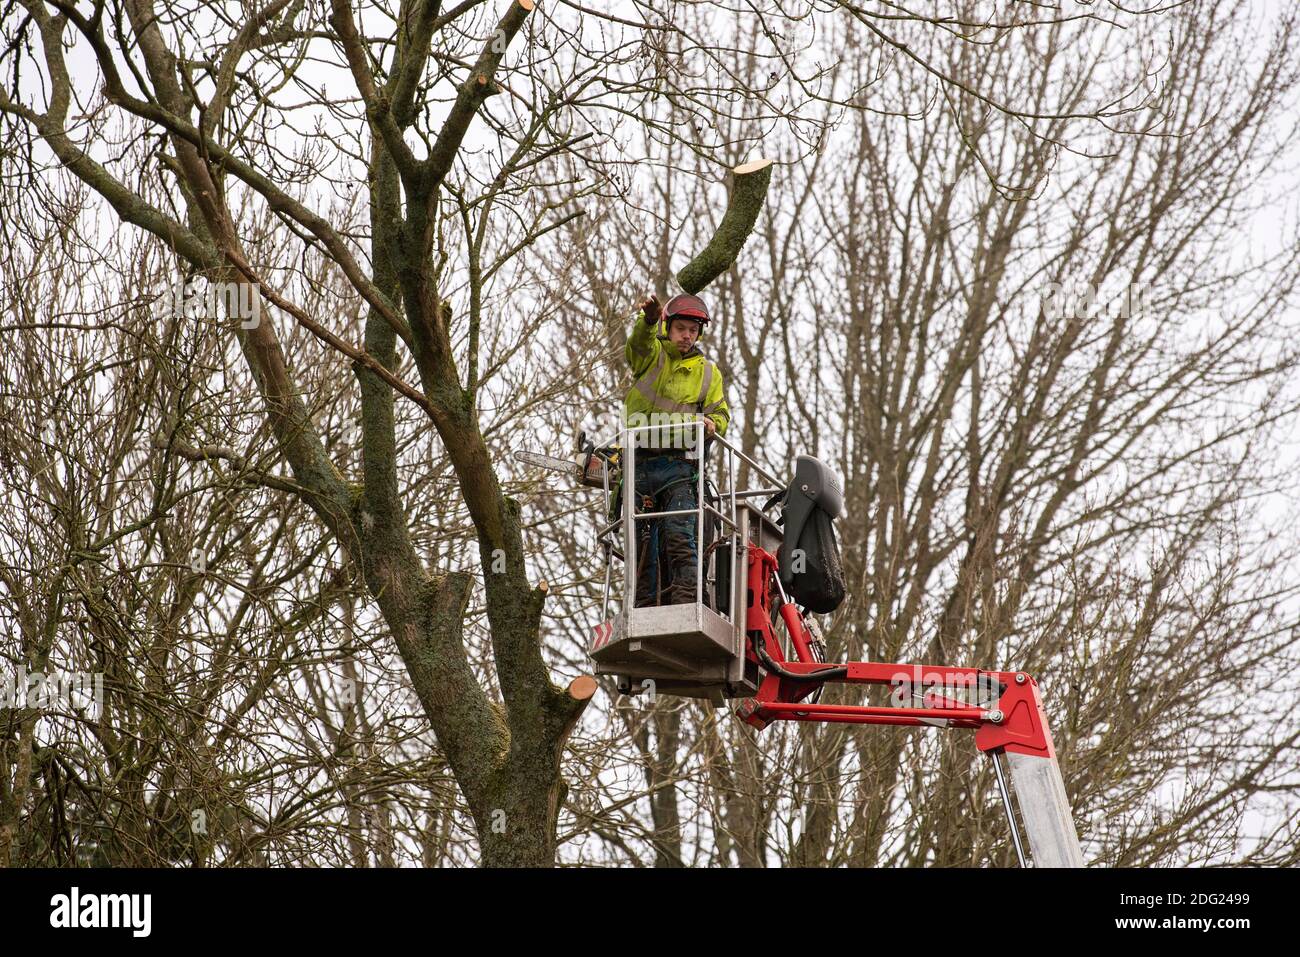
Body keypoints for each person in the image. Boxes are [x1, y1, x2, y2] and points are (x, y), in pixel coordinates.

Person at [623, 292, 730, 606]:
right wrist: (648, 321)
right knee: (642, 543)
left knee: (680, 534)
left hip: (680, 467)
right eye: (681, 328)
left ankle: (687, 600)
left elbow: (721, 415)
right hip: (640, 464)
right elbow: (637, 346)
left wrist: (712, 424)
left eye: (693, 330)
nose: (687, 335)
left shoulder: (709, 373)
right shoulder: (652, 356)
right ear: (668, 328)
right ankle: (644, 607)